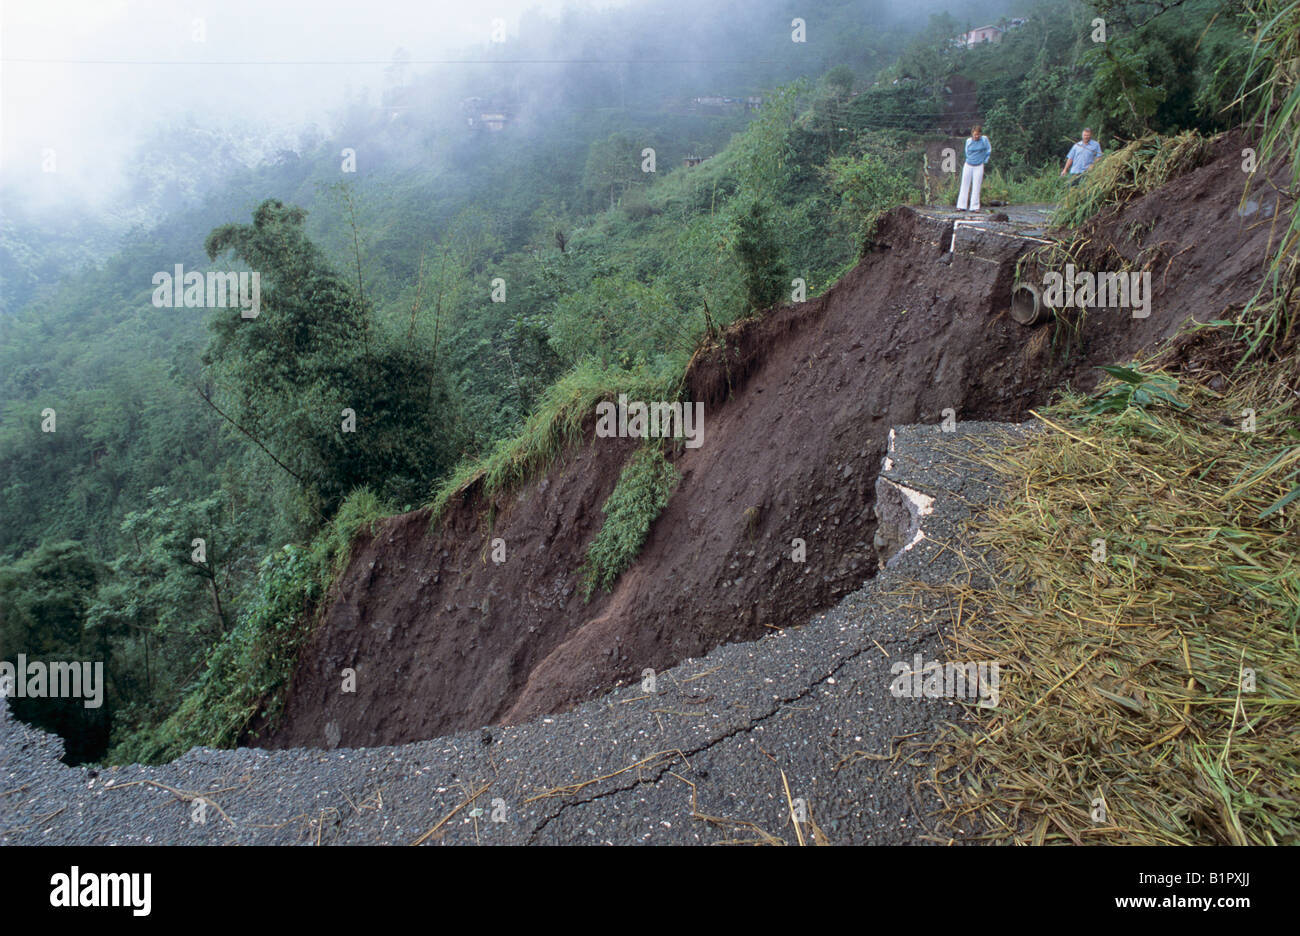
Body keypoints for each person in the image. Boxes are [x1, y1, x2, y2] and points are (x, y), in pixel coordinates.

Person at [957, 125, 990, 212]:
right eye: (975, 135)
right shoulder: (968, 141)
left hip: (979, 165)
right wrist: (971, 159)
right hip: (968, 164)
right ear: (972, 134)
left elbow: (988, 150)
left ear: (980, 134)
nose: (976, 136)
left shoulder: (984, 140)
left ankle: (975, 207)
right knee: (964, 184)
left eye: (978, 135)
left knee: (976, 185)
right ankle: (961, 205)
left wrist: (984, 160)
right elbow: (966, 151)